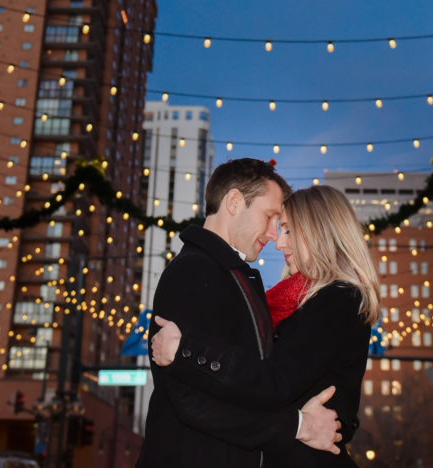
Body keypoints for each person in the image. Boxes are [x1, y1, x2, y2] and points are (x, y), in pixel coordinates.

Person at [152, 184, 381, 466]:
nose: (279, 242)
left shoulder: (339, 299)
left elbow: (273, 382)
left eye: (288, 230)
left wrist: (185, 348)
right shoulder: (295, 302)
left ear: (320, 231)